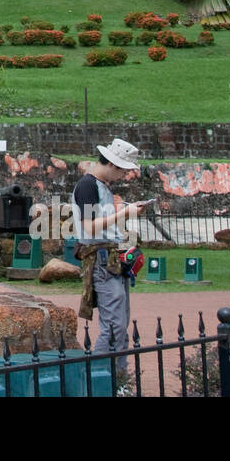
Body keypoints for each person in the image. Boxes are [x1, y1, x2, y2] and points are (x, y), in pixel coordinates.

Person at [71, 138, 153, 376]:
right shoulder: (88, 186)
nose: (124, 176)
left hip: (111, 258)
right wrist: (125, 212)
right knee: (114, 325)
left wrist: (125, 211)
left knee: (120, 322)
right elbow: (89, 227)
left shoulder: (102, 186)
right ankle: (102, 378)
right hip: (101, 259)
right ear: (113, 165)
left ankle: (116, 376)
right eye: (124, 171)